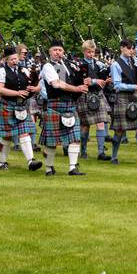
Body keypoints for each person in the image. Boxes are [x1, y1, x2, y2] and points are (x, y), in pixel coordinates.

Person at [37, 39, 87, 176]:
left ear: (63, 52)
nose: (57, 52)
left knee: (75, 137)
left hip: (69, 104)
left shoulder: (68, 66)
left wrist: (84, 82)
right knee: (52, 141)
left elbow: (75, 80)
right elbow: (57, 84)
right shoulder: (48, 66)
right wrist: (76, 89)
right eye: (55, 50)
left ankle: (72, 167)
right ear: (50, 52)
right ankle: (49, 168)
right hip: (55, 104)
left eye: (60, 50)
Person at [0, 44, 44, 171]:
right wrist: (17, 93)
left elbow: (35, 85)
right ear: (6, 60)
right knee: (7, 136)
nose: (15, 61)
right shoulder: (2, 71)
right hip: (7, 105)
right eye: (12, 59)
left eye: (16, 58)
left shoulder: (24, 70)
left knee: (24, 132)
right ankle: (3, 162)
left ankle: (31, 161)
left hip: (21, 106)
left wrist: (33, 88)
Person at [75, 40, 111, 163]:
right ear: (84, 52)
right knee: (85, 125)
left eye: (93, 52)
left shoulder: (99, 64)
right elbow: (83, 80)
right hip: (85, 95)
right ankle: (83, 150)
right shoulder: (80, 64)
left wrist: (106, 80)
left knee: (101, 122)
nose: (91, 54)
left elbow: (103, 77)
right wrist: (96, 81)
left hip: (98, 94)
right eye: (88, 52)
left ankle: (101, 152)